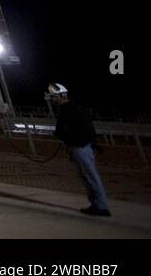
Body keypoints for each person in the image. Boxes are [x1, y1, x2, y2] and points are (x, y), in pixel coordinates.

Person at [47, 83, 110, 217]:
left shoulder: (69, 110)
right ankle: (96, 203)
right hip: (82, 146)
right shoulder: (74, 109)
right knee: (87, 176)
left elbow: (69, 130)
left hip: (80, 147)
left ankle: (101, 205)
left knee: (90, 175)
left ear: (61, 96)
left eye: (54, 97)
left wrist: (68, 139)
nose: (53, 100)